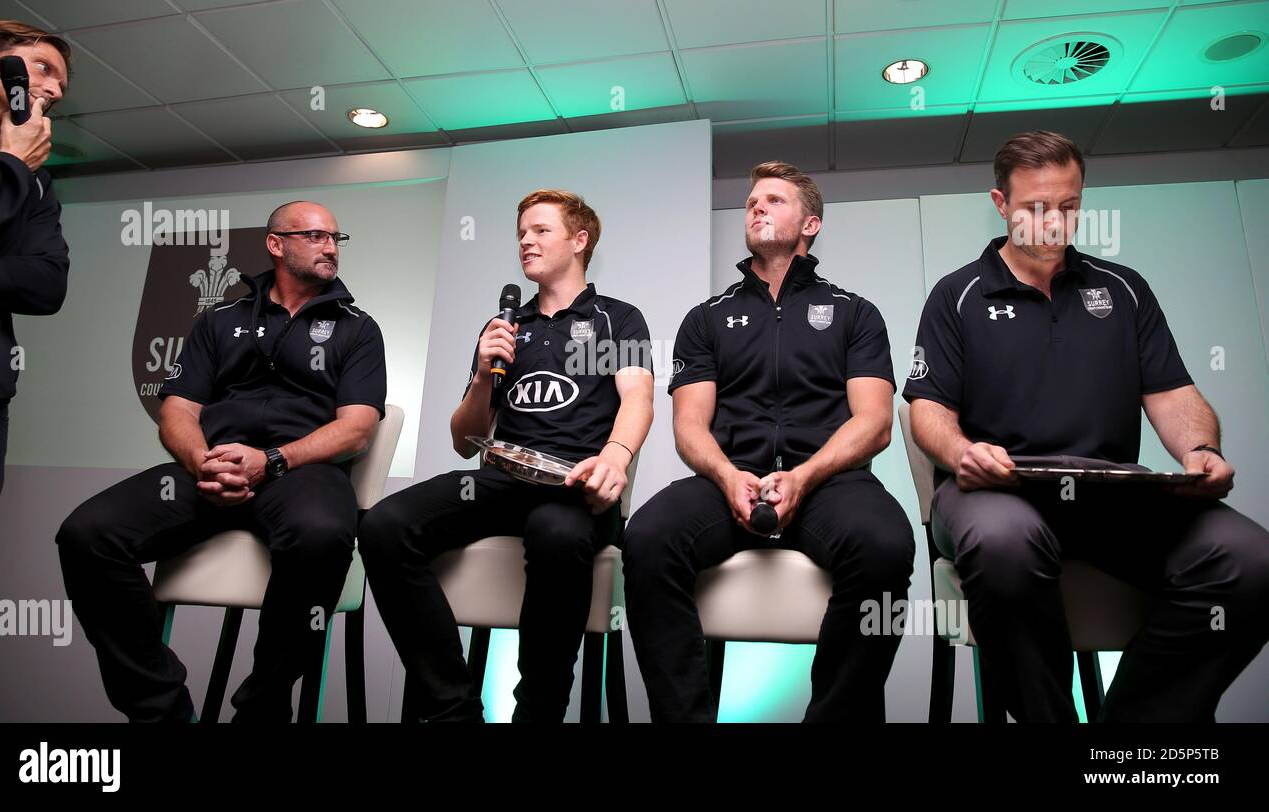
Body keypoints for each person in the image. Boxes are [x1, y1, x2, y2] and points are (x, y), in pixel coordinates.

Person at [904, 130, 1269, 722]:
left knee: (1251, 562)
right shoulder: (958, 295)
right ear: (1000, 205)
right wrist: (963, 451)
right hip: (999, 488)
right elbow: (928, 409)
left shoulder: (1123, 289)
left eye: (1069, 208)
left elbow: (1174, 393)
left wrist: (1202, 448)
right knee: (1003, 544)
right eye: (1035, 208)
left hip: (1110, 491)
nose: (1054, 223)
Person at [56, 202, 386, 721]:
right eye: (316, 236)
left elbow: (357, 427)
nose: (329, 247)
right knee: (86, 535)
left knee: (322, 534)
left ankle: (261, 705)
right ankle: (161, 708)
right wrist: (200, 462)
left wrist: (272, 460)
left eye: (336, 238)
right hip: (211, 466)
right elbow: (178, 411)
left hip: (299, 472)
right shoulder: (219, 320)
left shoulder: (358, 328)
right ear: (276, 244)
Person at [622, 161, 915, 722]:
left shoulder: (857, 313)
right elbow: (690, 425)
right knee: (649, 537)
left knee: (885, 545)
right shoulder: (706, 318)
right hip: (731, 478)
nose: (756, 206)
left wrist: (804, 476)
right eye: (752, 200)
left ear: (811, 224)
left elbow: (874, 421)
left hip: (829, 480)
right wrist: (728, 476)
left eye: (774, 200)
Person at [358, 189, 654, 722]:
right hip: (502, 478)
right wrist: (480, 374)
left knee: (557, 534)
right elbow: (463, 439)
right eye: (521, 231)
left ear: (579, 240)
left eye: (541, 230)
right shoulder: (505, 326)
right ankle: (453, 707)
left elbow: (638, 398)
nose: (526, 240)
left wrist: (614, 456)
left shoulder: (617, 319)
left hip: (574, 484)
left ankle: (536, 714)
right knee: (384, 525)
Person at [0, 18, 70, 564]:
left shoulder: (38, 179)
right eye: (43, 68)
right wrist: (10, 164)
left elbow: (47, 284)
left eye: (60, 84)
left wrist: (17, 169)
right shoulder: (21, 167)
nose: (53, 90)